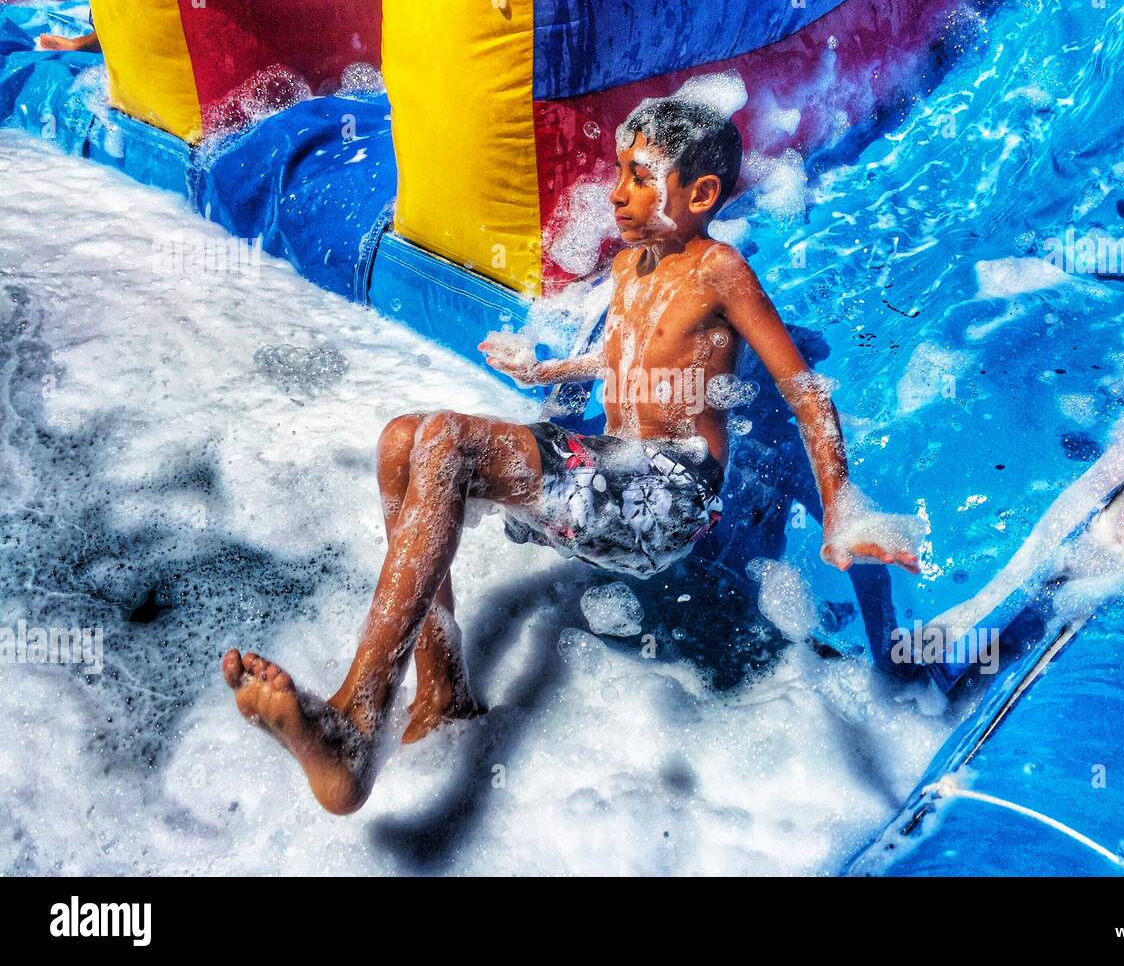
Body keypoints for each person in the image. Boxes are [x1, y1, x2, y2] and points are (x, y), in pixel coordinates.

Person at [222, 94, 924, 815]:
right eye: (619, 172)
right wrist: (542, 373)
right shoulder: (632, 267)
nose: (616, 192)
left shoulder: (719, 272)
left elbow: (805, 389)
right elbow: (621, 361)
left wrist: (842, 504)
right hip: (613, 471)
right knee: (404, 438)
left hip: (668, 497)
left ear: (701, 194)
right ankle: (441, 691)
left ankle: (355, 719)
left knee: (448, 442)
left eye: (641, 177)